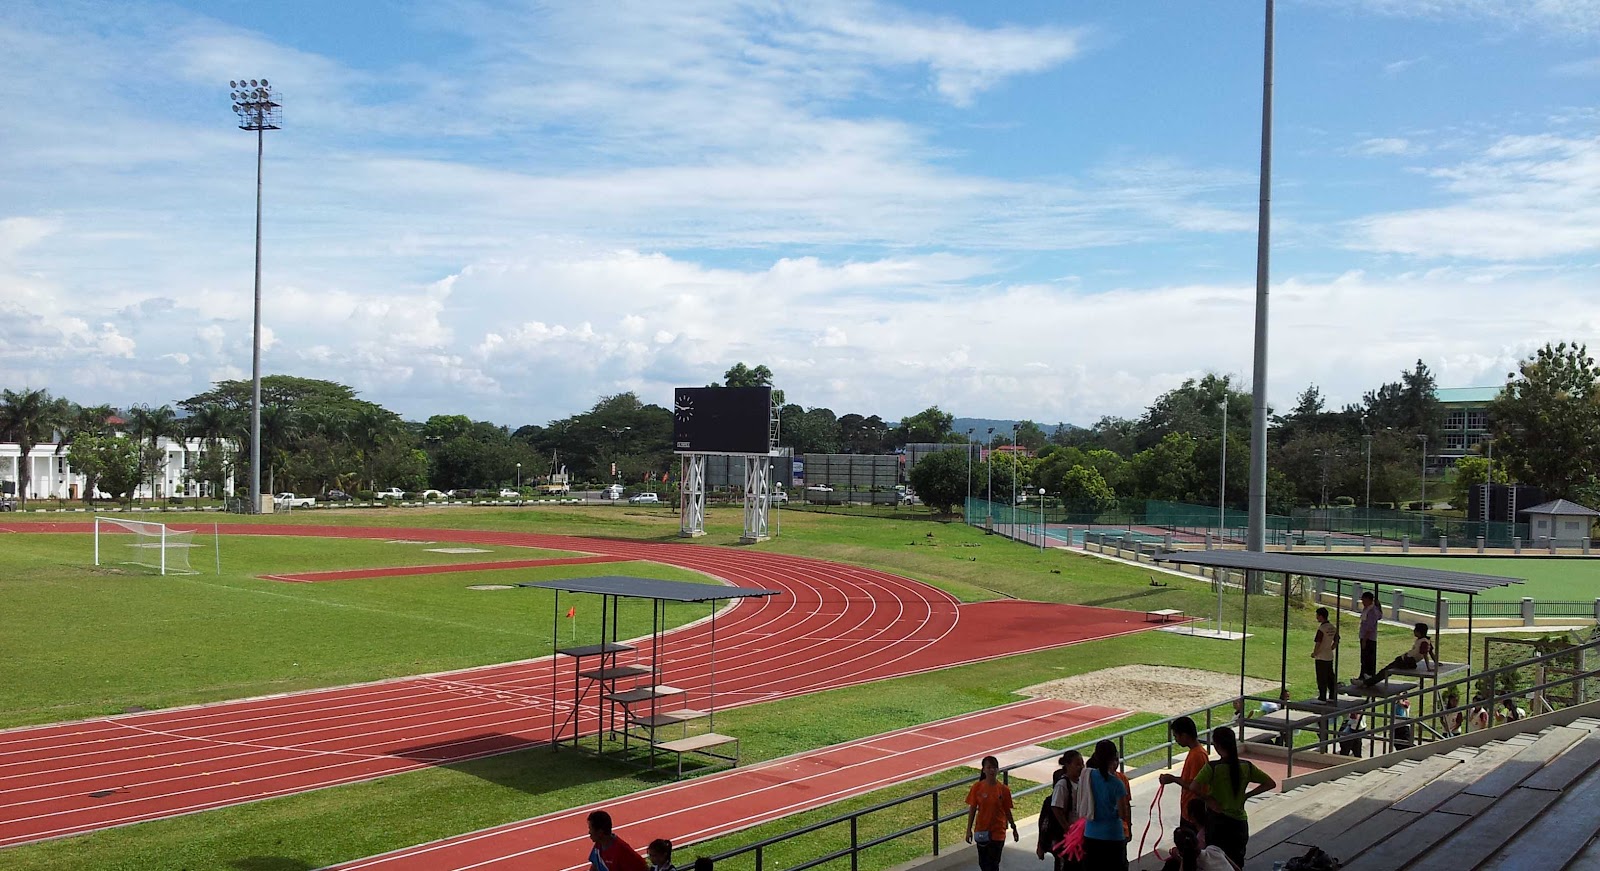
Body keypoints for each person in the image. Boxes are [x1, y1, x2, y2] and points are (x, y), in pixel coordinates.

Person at [1192, 727, 1276, 869]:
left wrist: (1208, 799)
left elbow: (1193, 787)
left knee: (1217, 863)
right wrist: (1247, 795)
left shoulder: (1212, 768)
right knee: (1237, 863)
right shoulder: (1246, 766)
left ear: (1217, 746)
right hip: (1239, 825)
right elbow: (1270, 783)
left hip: (1218, 824)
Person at [1076, 740, 1130, 870]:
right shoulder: (1118, 783)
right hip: (1113, 836)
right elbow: (1123, 814)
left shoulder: (1086, 776)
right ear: (1114, 757)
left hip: (1091, 835)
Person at [965, 755, 1018, 871]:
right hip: (982, 831)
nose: (992, 770)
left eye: (994, 767)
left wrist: (1013, 827)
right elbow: (973, 808)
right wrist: (968, 830)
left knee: (993, 864)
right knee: (983, 864)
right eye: (989, 767)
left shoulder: (1003, 790)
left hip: (997, 832)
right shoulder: (977, 788)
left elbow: (1007, 810)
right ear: (983, 770)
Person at [1159, 716, 1210, 832]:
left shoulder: (1198, 755)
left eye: (1176, 736)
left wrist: (1172, 779)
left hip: (1194, 814)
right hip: (1190, 812)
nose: (1176, 740)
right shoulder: (1195, 753)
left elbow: (1194, 786)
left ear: (1185, 735)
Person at [1044, 750, 1085, 868]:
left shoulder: (1081, 782)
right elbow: (1056, 808)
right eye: (1077, 764)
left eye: (1082, 764)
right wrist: (1068, 828)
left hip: (1080, 835)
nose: (1081, 767)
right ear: (1067, 765)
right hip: (1068, 838)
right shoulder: (1063, 785)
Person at [1363, 623, 1436, 687]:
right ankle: (1372, 679)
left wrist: (1428, 667)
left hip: (1408, 661)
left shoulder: (1423, 642)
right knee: (1387, 669)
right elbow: (1431, 652)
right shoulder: (1425, 640)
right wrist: (1436, 662)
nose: (1413, 631)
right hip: (1407, 659)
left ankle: (1368, 682)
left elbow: (1426, 654)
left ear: (1419, 632)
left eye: (1415, 630)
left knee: (1387, 670)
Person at [1312, 607, 1340, 702]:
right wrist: (1332, 647)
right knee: (1330, 676)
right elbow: (1336, 640)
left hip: (1321, 656)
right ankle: (1332, 695)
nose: (1316, 617)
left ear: (1321, 616)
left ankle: (1322, 697)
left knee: (1321, 677)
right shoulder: (1332, 627)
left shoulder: (1322, 628)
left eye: (1317, 615)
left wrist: (1314, 653)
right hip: (1329, 655)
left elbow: (1318, 642)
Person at [1358, 591, 1380, 680]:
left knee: (1367, 658)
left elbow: (1370, 627)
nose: (1363, 602)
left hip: (1368, 638)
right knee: (1364, 658)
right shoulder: (1367, 609)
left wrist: (1364, 640)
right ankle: (1363, 675)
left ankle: (1367, 676)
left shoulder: (1372, 611)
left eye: (1364, 600)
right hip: (1365, 637)